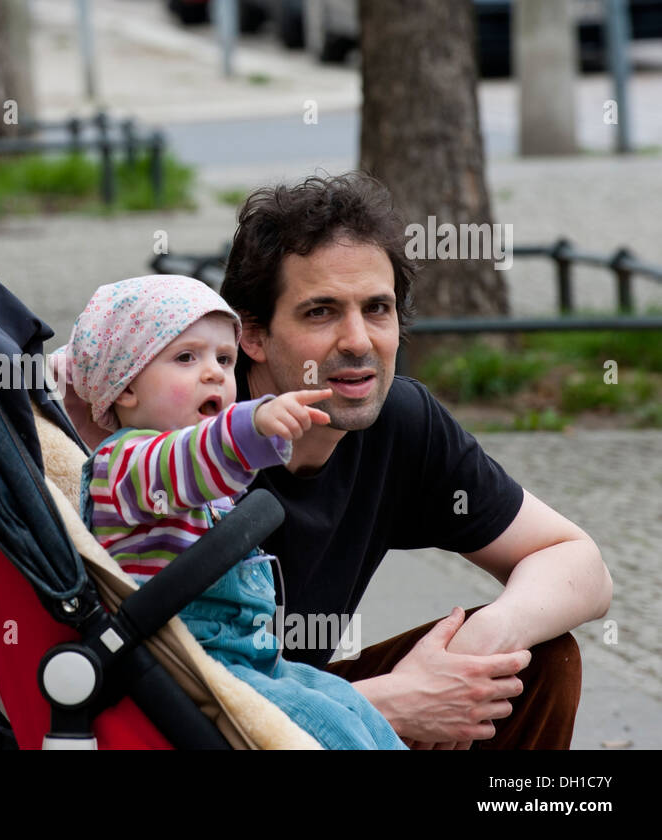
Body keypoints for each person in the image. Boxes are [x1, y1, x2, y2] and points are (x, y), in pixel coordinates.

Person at [217, 172, 612, 749]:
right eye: (321, 312)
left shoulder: (399, 420)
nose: (358, 341)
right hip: (208, 723)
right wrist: (386, 705)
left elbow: (580, 565)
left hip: (307, 705)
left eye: (377, 309)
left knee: (532, 659)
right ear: (252, 335)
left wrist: (483, 641)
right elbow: (177, 685)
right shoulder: (194, 445)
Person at [63, 274, 407, 749]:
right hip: (189, 661)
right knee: (331, 730)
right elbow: (194, 459)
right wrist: (252, 424)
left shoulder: (177, 459)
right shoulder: (125, 463)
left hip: (250, 654)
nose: (215, 374)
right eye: (186, 358)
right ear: (125, 388)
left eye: (225, 359)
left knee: (351, 707)